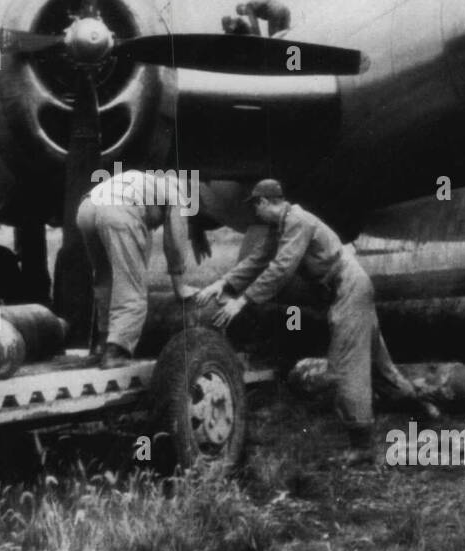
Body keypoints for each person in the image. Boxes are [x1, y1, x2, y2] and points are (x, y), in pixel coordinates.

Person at [195, 179, 415, 467]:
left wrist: (243, 300)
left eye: (255, 206)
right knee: (379, 364)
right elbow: (259, 259)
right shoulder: (281, 225)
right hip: (348, 288)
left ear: (264, 202)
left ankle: (362, 446)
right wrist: (222, 284)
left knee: (344, 367)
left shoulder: (297, 221)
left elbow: (282, 267)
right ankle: (420, 405)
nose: (255, 213)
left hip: (349, 289)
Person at [77, 169, 197, 368]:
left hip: (86, 208)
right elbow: (176, 239)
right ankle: (116, 350)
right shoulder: (177, 191)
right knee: (131, 283)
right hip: (118, 210)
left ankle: (102, 343)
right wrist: (180, 285)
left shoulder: (145, 182)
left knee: (106, 278)